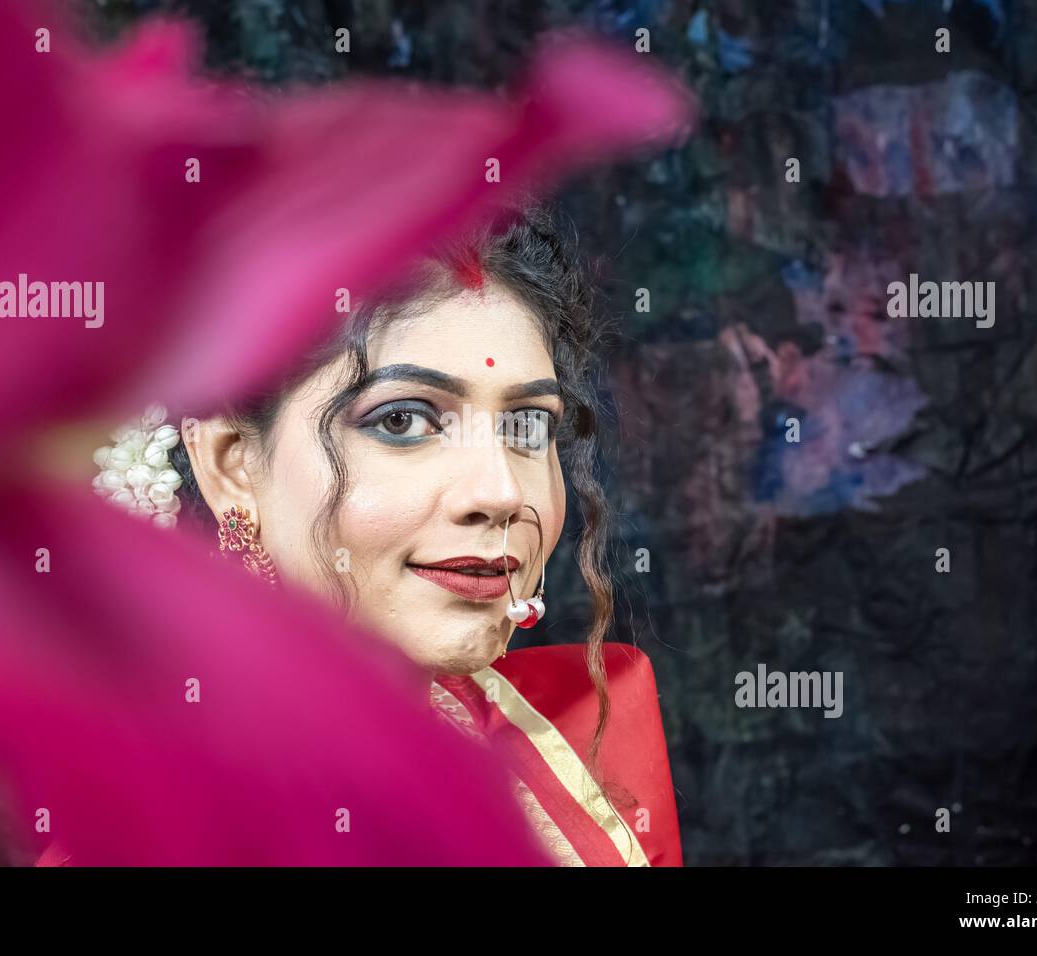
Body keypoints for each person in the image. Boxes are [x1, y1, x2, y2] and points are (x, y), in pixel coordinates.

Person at [71, 202, 682, 867]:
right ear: (232, 465)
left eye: (528, 426)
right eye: (402, 422)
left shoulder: (576, 742)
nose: (501, 493)